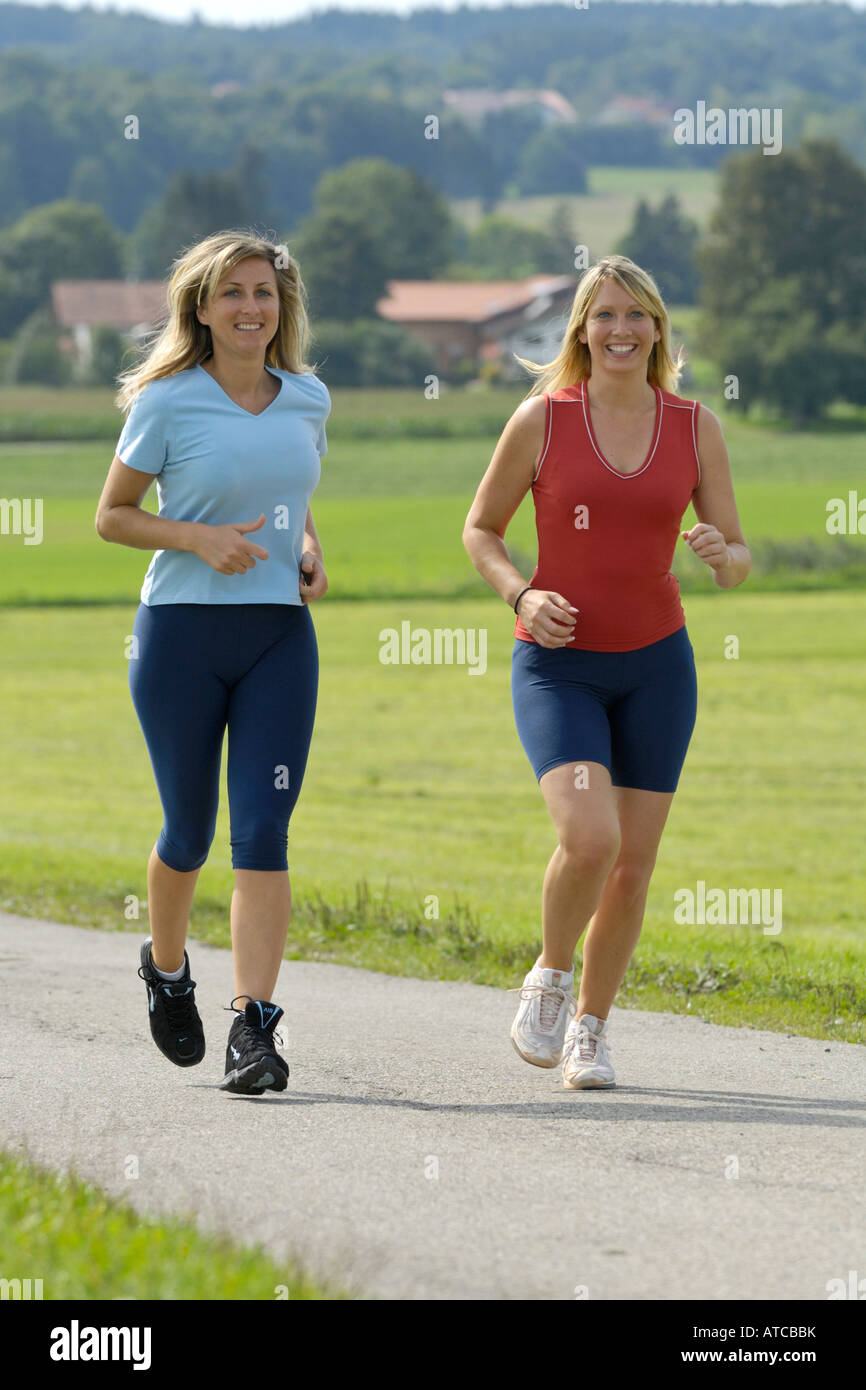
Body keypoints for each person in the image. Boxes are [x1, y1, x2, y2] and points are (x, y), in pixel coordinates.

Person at [463, 254, 749, 1088]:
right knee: (590, 838)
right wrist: (521, 595)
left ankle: (591, 1029)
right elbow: (481, 530)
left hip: (659, 665)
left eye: (637, 315)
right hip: (561, 666)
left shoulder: (694, 425)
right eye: (604, 315)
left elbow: (738, 557)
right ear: (580, 330)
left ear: (660, 328)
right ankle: (552, 977)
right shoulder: (542, 420)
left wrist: (717, 551)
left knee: (633, 864)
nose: (621, 330)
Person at [95, 229, 330, 1095]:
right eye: (232, 292)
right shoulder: (167, 401)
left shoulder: (308, 398)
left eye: (264, 292)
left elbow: (293, 500)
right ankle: (166, 969)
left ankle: (254, 1030)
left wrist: (307, 549)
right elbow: (113, 515)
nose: (250, 307)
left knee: (261, 834)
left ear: (283, 306)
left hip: (277, 638)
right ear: (200, 306)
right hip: (180, 637)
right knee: (189, 835)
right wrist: (193, 538)